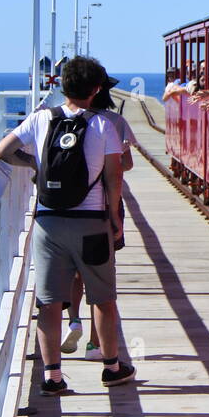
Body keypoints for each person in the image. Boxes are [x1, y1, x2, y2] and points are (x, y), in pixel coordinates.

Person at [0, 56, 136, 395]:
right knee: (102, 298)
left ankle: (53, 376)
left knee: (49, 300)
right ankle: (112, 368)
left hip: (48, 222)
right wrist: (114, 217)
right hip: (91, 222)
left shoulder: (42, 118)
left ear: (59, 86)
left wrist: (36, 166)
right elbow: (114, 177)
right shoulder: (104, 125)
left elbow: (2, 151)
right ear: (97, 89)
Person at [66, 75, 136, 359]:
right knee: (100, 277)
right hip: (102, 208)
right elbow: (125, 165)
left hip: (64, 209)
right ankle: (96, 345)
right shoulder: (113, 122)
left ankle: (73, 321)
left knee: (74, 273)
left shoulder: (57, 118)